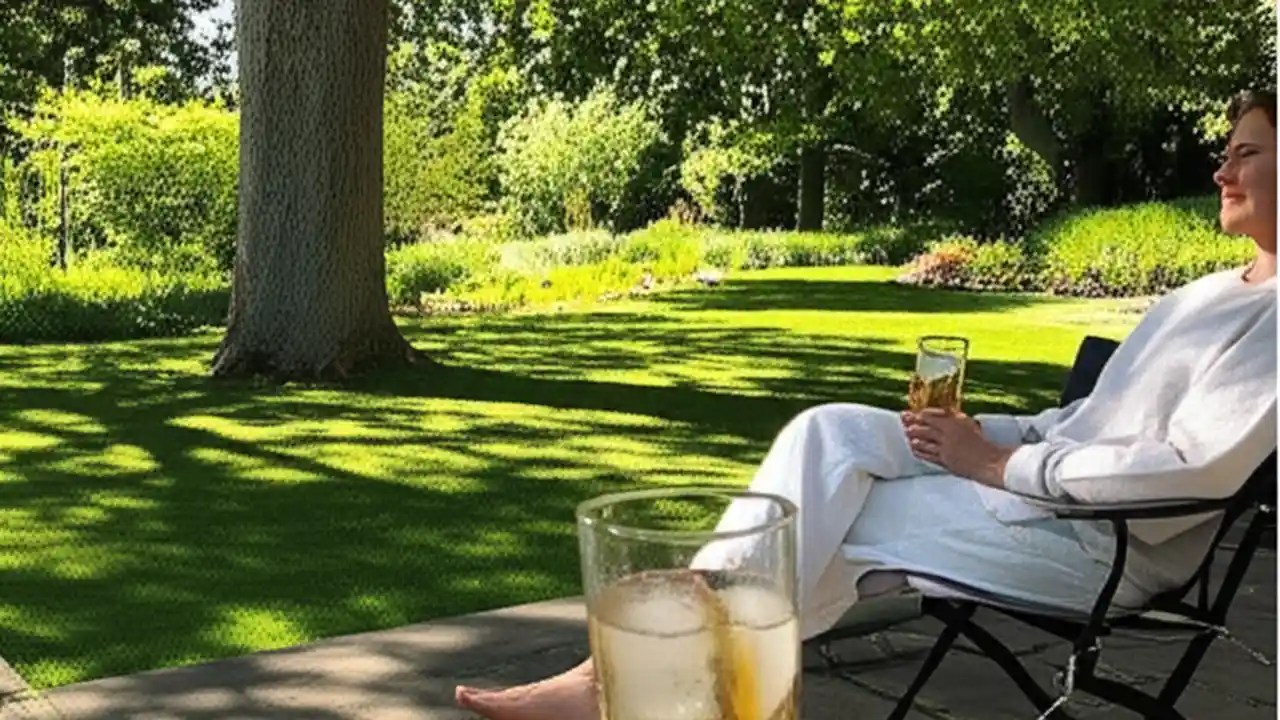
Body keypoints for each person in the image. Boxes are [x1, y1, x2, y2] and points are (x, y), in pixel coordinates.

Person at [455, 90, 1278, 720]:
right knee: (825, 438)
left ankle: (625, 685)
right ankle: (651, 684)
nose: (1220, 170)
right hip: (1037, 499)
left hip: (1106, 547)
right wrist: (966, 436)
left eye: (1244, 153)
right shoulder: (1202, 293)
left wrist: (995, 462)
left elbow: (1188, 474)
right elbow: (1082, 423)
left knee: (816, 530)